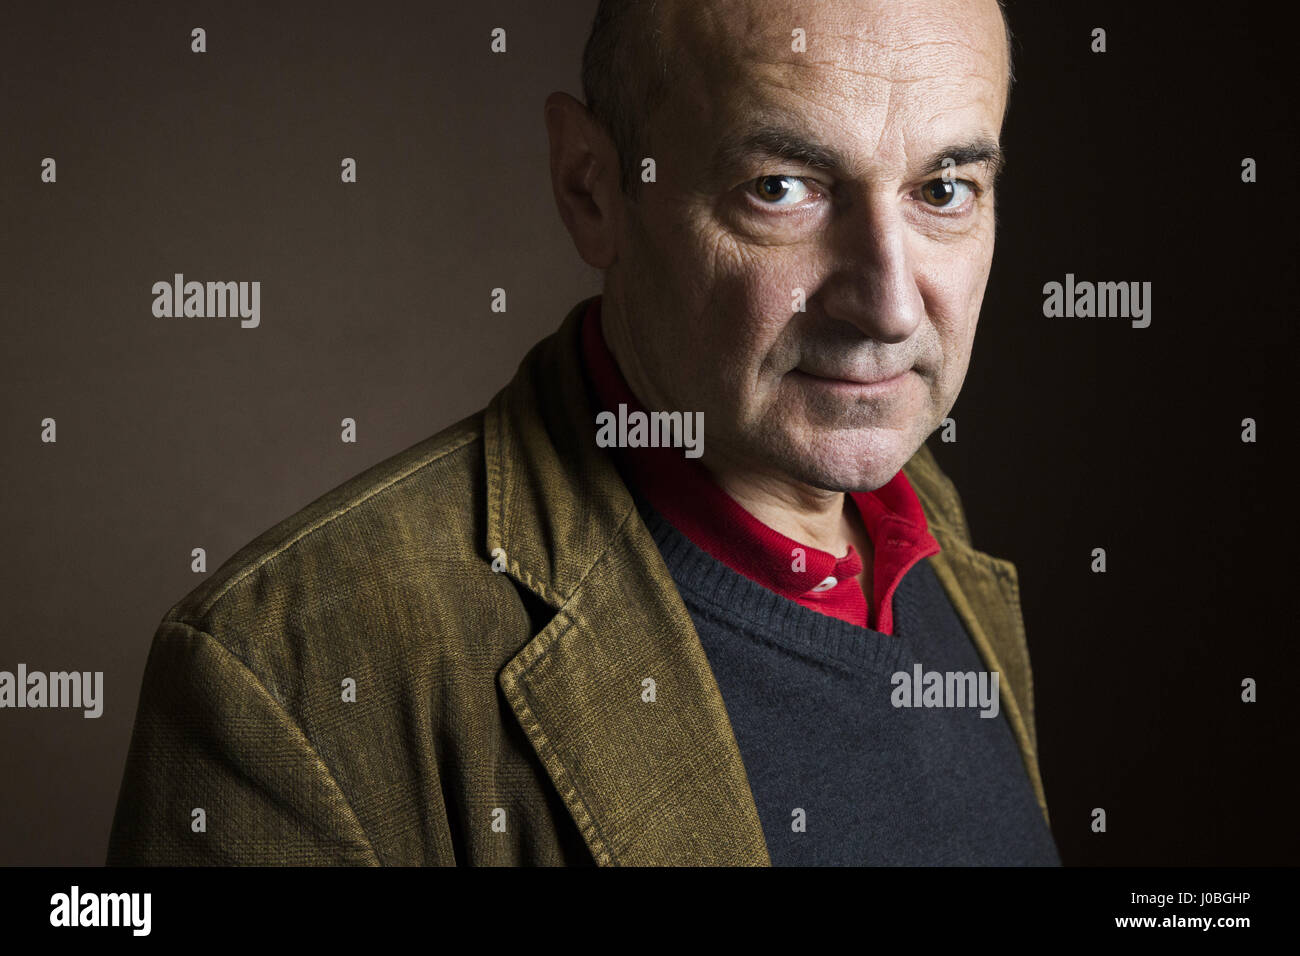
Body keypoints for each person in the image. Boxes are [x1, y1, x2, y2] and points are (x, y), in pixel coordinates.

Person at [107, 0, 1059, 865]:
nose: (890, 307)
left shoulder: (931, 525)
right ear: (591, 187)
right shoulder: (286, 680)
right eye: (782, 187)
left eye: (944, 191)